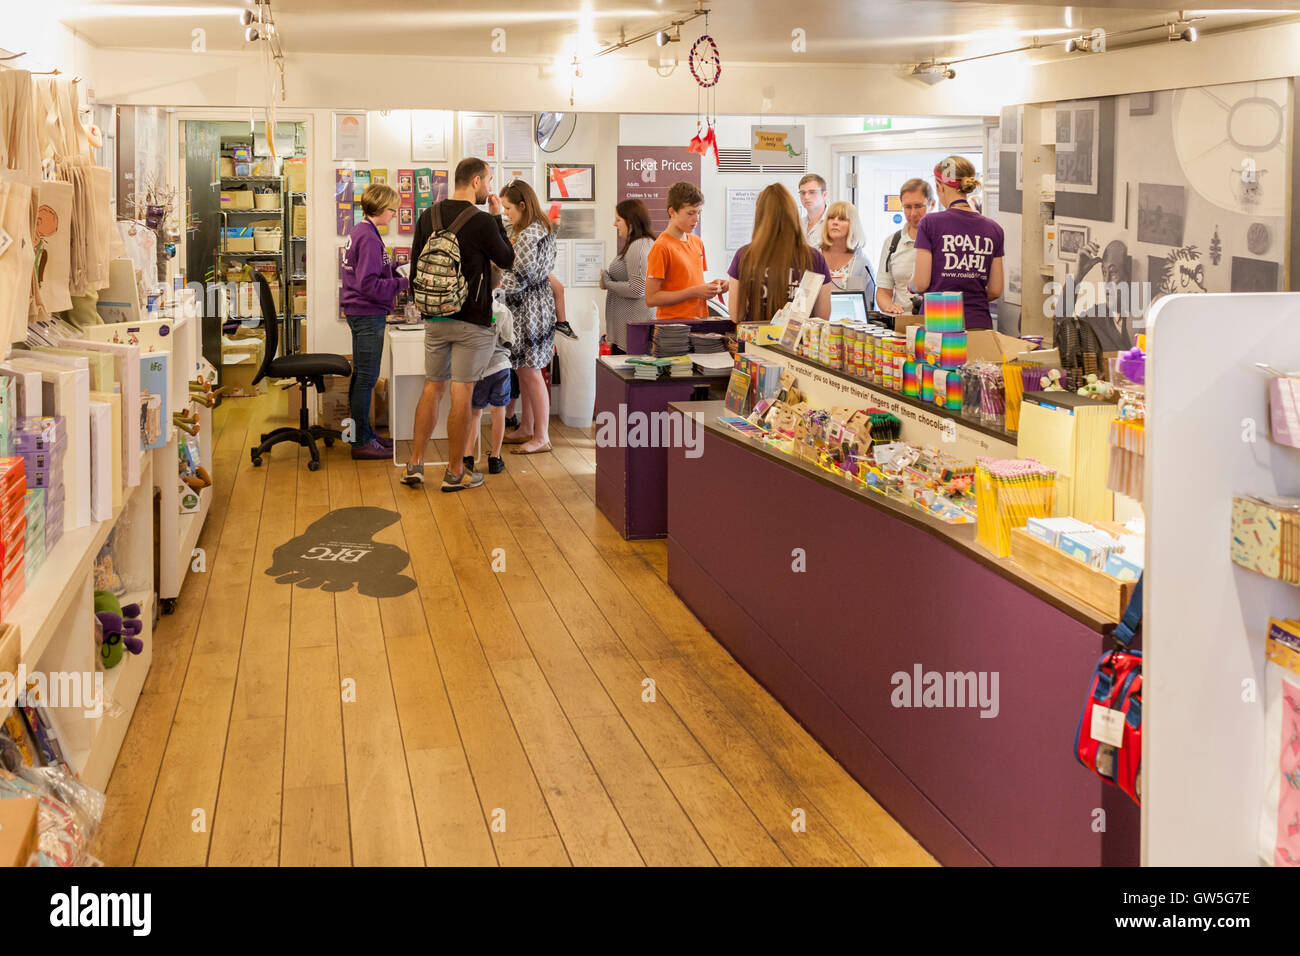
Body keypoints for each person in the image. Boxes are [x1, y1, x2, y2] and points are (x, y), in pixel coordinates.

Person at [402, 157, 514, 491]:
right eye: (489, 180)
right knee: (461, 393)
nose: (490, 188)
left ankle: (415, 463)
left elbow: (414, 271)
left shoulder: (428, 216)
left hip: (434, 318)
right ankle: (454, 472)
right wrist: (497, 218)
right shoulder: (482, 221)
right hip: (471, 321)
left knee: (432, 388)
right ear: (477, 180)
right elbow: (506, 259)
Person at [340, 182, 407, 460]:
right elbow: (368, 284)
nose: (394, 215)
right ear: (380, 208)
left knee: (362, 377)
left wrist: (392, 269)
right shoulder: (368, 237)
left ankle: (364, 434)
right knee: (367, 378)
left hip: (360, 312)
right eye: (392, 210)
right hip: (367, 313)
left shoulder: (361, 231)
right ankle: (360, 443)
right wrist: (403, 282)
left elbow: (371, 270)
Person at [497, 179, 557, 456]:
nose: (507, 213)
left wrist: (493, 286)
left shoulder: (531, 234)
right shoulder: (537, 227)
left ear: (523, 205)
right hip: (535, 304)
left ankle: (541, 435)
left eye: (509, 208)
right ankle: (527, 427)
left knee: (530, 372)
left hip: (528, 308)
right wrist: (496, 212)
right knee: (526, 370)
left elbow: (519, 275)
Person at [909, 156, 1004, 331]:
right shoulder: (994, 229)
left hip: (938, 324)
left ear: (940, 186)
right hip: (979, 323)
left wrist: (911, 285)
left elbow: (921, 283)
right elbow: (995, 290)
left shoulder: (930, 223)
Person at [727, 183, 832, 324]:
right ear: (793, 214)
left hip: (754, 343)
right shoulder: (814, 258)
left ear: (760, 216)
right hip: (798, 344)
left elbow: (735, 315)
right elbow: (822, 317)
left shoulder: (744, 256)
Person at [644, 181, 726, 319]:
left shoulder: (697, 242)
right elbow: (651, 299)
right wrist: (694, 292)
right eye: (690, 213)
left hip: (700, 323)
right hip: (673, 329)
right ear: (672, 212)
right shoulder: (661, 247)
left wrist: (714, 287)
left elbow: (692, 283)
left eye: (699, 212)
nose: (696, 218)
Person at [599, 199, 656, 352]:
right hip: (626, 333)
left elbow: (637, 289)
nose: (614, 224)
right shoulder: (637, 244)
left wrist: (607, 282)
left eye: (618, 219)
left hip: (632, 335)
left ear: (630, 221)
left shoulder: (639, 245)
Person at [462, 311, 511, 477]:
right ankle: (495, 458)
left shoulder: (470, 308)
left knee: (475, 413)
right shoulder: (502, 310)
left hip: (479, 368)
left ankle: (468, 456)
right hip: (500, 366)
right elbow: (510, 339)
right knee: (499, 411)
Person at [876, 177, 933, 316]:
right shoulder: (892, 242)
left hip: (936, 323)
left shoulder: (943, 240)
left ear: (932, 204)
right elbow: (883, 291)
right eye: (907, 207)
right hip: (902, 324)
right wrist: (889, 306)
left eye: (919, 206)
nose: (913, 213)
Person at [817, 200, 876, 305]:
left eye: (842, 219)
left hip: (848, 320)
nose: (835, 222)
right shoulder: (814, 256)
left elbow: (863, 307)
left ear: (853, 225)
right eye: (831, 218)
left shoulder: (862, 264)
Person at [797, 173, 830, 246]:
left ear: (824, 195)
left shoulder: (835, 223)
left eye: (812, 192)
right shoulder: (798, 224)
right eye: (803, 193)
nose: (806, 197)